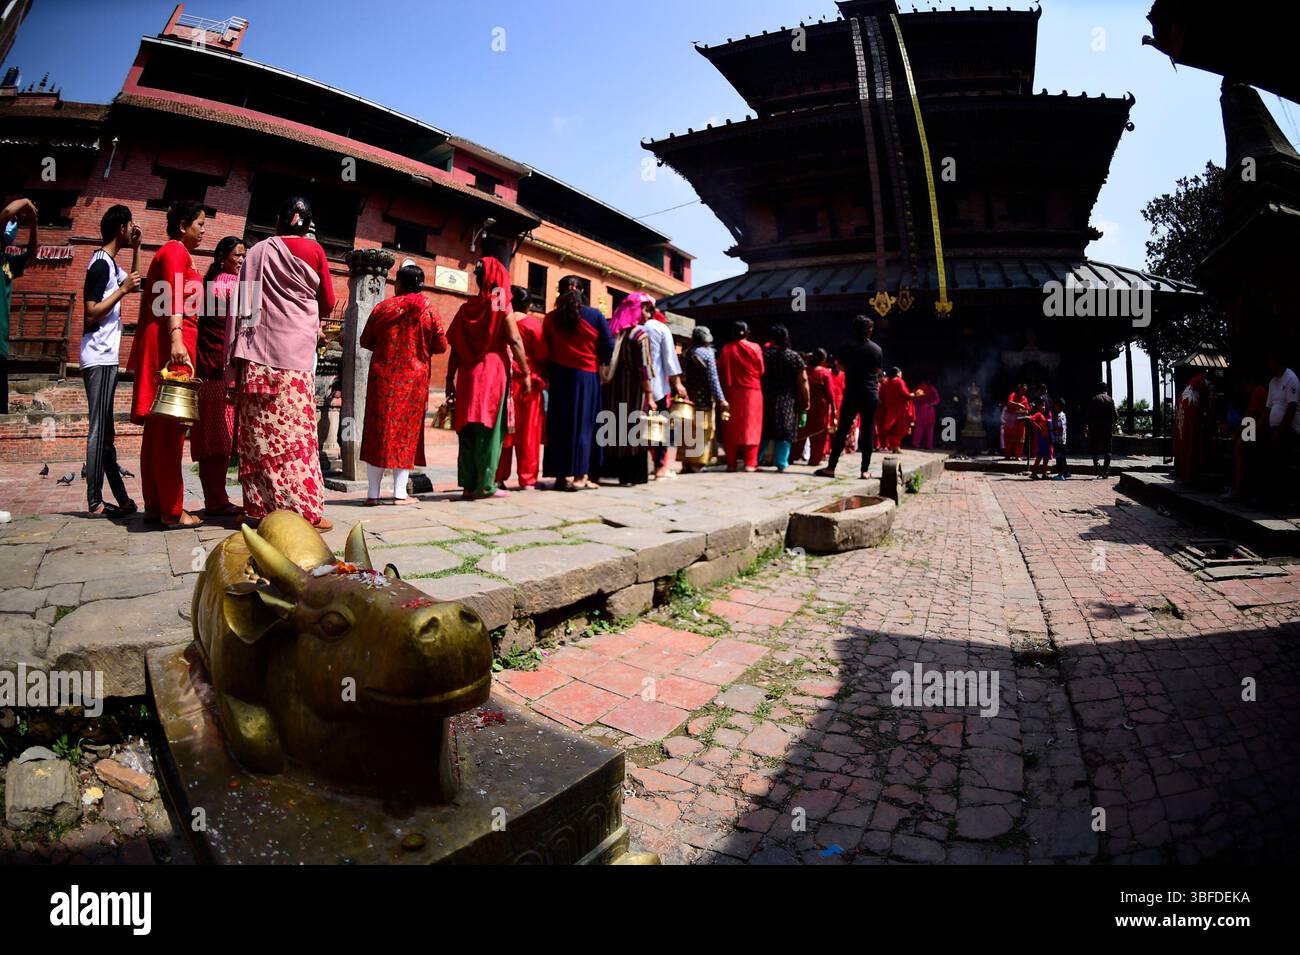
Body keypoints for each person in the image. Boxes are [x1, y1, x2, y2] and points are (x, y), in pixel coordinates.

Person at [226, 196, 335, 530]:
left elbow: (242, 305)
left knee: (259, 436)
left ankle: (261, 508)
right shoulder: (314, 252)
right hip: (295, 362)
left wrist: (232, 359)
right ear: (308, 224)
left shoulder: (256, 253)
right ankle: (302, 512)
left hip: (256, 357)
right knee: (297, 437)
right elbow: (329, 302)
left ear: (278, 220)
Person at [127, 198, 205, 528]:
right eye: (200, 224)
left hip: (167, 343)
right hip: (172, 347)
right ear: (183, 226)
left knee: (158, 432)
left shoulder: (171, 252)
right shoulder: (175, 251)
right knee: (172, 430)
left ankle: (155, 505)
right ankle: (172, 510)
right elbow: (173, 295)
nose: (204, 230)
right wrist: (175, 337)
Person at [360, 264, 447, 505]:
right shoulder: (428, 309)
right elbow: (441, 345)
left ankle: (372, 493)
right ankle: (400, 493)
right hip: (413, 382)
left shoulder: (382, 307)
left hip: (382, 380)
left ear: (398, 284)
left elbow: (365, 340)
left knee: (377, 432)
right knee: (405, 435)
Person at [446, 257, 531, 500]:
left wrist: (450, 378)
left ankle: (468, 485)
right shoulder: (500, 304)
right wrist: (525, 372)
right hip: (493, 372)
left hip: (467, 374)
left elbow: (454, 347)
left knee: (467, 429)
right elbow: (514, 340)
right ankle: (486, 485)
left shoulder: (466, 308)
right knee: (490, 430)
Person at [81, 204, 140, 517]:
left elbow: (135, 282)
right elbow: (91, 311)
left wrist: (138, 248)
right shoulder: (99, 265)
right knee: (98, 431)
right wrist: (122, 290)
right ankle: (94, 502)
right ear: (121, 228)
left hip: (106, 356)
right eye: (131, 226)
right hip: (98, 355)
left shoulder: (110, 264)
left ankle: (122, 498)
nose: (133, 230)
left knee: (105, 433)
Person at [191, 235, 244, 517]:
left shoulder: (207, 285)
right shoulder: (235, 286)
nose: (242, 261)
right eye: (238, 255)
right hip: (223, 374)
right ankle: (218, 499)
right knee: (222, 439)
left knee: (207, 439)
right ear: (223, 257)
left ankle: (213, 497)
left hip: (204, 371)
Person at [542, 276, 612, 490]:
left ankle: (561, 477)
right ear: (582, 291)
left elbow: (545, 349)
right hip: (586, 378)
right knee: (584, 426)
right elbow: (608, 346)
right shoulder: (594, 315)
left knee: (559, 426)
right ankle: (581, 476)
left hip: (559, 377)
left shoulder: (550, 318)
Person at [597, 291, 654, 485]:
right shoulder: (640, 335)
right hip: (634, 393)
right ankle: (631, 475)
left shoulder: (613, 332)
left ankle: (609, 470)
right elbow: (644, 368)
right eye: (645, 310)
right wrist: (650, 394)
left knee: (613, 429)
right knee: (634, 431)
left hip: (611, 392)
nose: (648, 315)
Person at [817, 315, 882, 480]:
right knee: (867, 432)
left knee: (842, 431)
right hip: (870, 393)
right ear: (868, 330)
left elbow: (839, 366)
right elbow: (877, 372)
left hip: (852, 392)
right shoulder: (876, 349)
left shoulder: (846, 346)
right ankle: (864, 470)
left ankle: (831, 468)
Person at [496, 285, 548, 491]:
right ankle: (527, 478)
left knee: (504, 431)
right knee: (528, 433)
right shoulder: (533, 324)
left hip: (504, 379)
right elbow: (543, 353)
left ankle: (498, 477)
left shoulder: (501, 321)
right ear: (528, 305)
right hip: (528, 382)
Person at [1, 197, 38, 416]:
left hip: (1, 347)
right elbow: (6, 212)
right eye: (11, 222)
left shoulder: (8, 261)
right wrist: (25, 202)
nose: (12, 224)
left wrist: (33, 223)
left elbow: (32, 255)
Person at [643, 305, 686, 478]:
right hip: (658, 385)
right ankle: (660, 466)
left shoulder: (629, 328)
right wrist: (677, 383)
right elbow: (670, 358)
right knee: (659, 426)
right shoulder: (660, 328)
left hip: (637, 386)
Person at [758, 325, 808, 471]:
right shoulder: (793, 356)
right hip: (787, 397)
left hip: (766, 395)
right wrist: (806, 399)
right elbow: (803, 380)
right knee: (786, 430)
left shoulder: (764, 354)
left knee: (765, 429)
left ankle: (757, 459)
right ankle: (781, 462)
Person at [717, 321, 765, 472]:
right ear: (747, 332)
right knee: (752, 428)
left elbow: (720, 370)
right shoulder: (755, 348)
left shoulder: (726, 349)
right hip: (753, 393)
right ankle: (750, 463)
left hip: (731, 393)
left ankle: (731, 463)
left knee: (731, 428)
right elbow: (761, 370)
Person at [681, 325, 728, 472]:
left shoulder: (686, 353)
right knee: (701, 430)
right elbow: (713, 379)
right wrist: (721, 399)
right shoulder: (708, 354)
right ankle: (696, 463)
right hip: (704, 398)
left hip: (688, 398)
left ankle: (686, 463)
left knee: (687, 430)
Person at [1264, 352, 1299, 501]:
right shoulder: (1272, 382)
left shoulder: (1291, 379)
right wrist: (1252, 432)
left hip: (1288, 428)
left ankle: (1280, 497)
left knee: (1279, 456)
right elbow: (1267, 410)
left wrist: (1279, 431)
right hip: (1272, 427)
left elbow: (1291, 407)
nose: (1268, 365)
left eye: (1270, 362)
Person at [1173, 371, 1213, 485]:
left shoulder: (1189, 389)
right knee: (1191, 443)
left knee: (1185, 444)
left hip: (1184, 414)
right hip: (1190, 416)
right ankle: (1190, 475)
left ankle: (1186, 473)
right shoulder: (1204, 386)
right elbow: (1209, 406)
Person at [798, 348, 835, 467]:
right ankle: (814, 459)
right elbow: (830, 394)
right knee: (818, 435)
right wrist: (834, 409)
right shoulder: (825, 373)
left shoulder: (804, 370)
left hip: (803, 405)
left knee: (801, 431)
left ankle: (792, 456)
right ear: (823, 359)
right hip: (820, 408)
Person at [877, 366, 915, 453]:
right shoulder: (899, 381)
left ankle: (893, 446)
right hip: (900, 409)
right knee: (901, 428)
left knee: (891, 428)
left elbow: (881, 397)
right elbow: (905, 394)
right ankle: (896, 446)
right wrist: (913, 395)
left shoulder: (887, 383)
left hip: (890, 409)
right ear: (898, 373)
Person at [1086, 384, 1117, 477]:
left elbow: (1089, 414)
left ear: (1099, 389)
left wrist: (1088, 425)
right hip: (1107, 429)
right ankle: (1105, 471)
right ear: (1106, 390)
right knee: (1108, 450)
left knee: (1094, 447)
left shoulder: (1095, 399)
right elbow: (1116, 415)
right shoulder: (1110, 400)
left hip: (1095, 428)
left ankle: (1096, 463)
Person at [1021, 400, 1052, 479]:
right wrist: (1038, 427)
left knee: (1046, 456)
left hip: (1046, 438)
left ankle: (1044, 474)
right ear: (1038, 407)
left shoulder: (1043, 415)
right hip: (1041, 438)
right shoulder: (1038, 414)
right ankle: (1034, 473)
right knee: (1040, 456)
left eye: (1044, 405)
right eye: (1042, 405)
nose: (1043, 407)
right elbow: (1031, 419)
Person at [1002, 384, 1030, 459]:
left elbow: (1027, 409)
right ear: (1019, 389)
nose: (1024, 392)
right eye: (1023, 390)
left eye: (1025, 390)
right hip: (1011, 421)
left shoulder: (1025, 398)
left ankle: (1018, 456)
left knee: (1020, 440)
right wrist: (1019, 404)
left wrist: (1025, 411)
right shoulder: (1013, 395)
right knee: (1009, 439)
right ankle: (1008, 455)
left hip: (1020, 421)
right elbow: (1009, 402)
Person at [910, 378, 940, 450]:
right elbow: (937, 400)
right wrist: (930, 404)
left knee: (919, 428)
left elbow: (913, 398)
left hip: (921, 410)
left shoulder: (918, 388)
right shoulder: (932, 388)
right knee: (930, 429)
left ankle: (915, 443)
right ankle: (929, 445)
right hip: (930, 410)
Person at [1052, 399, 1070, 479]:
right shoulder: (1063, 415)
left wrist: (1053, 430)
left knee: (1059, 457)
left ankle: (1060, 474)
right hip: (1063, 439)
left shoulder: (1059, 416)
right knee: (1063, 457)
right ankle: (1066, 472)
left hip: (1059, 439)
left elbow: (1060, 428)